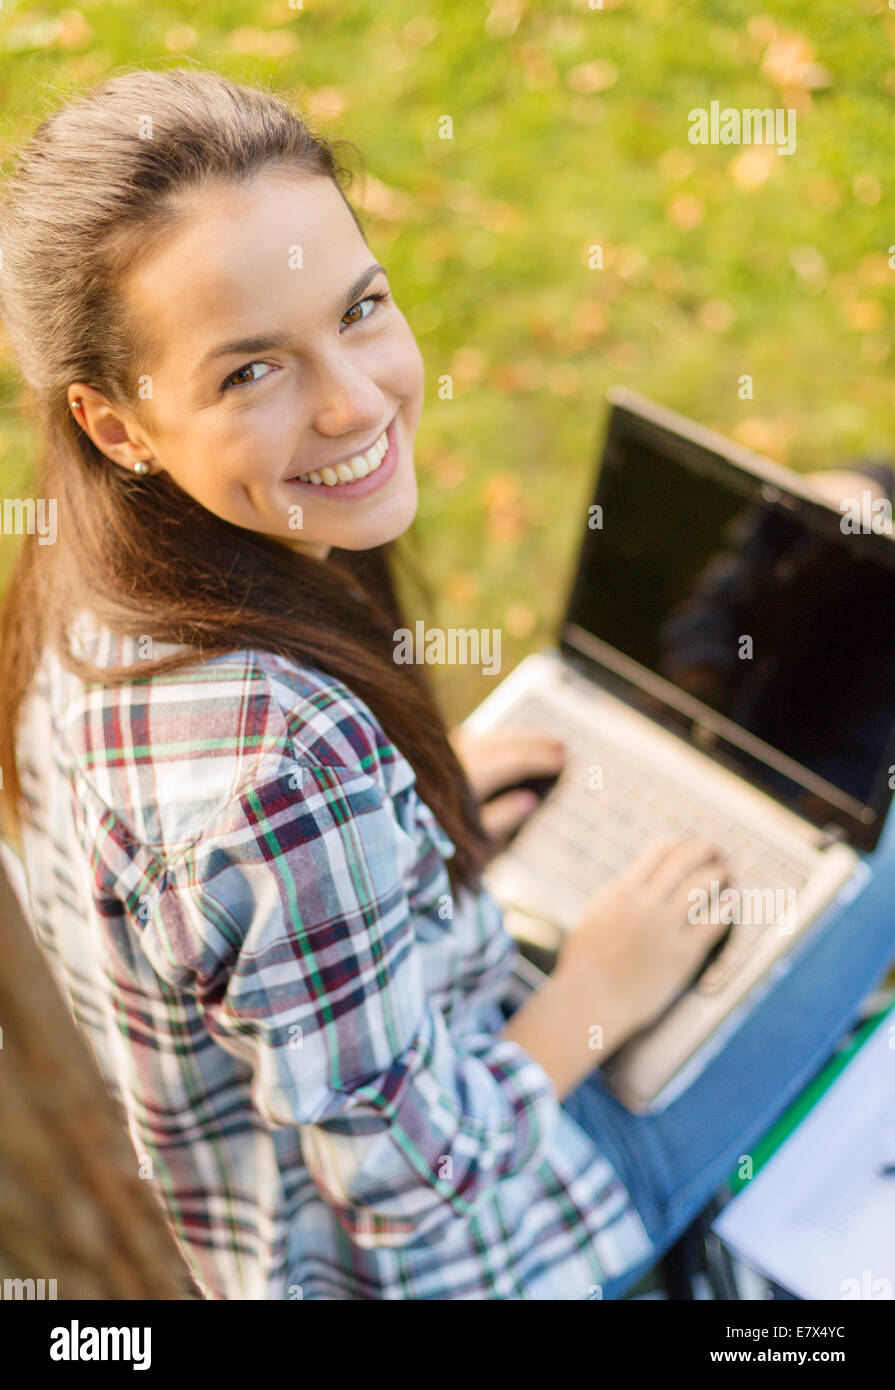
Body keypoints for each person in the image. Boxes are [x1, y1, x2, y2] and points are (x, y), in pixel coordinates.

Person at [0, 66, 892, 1301]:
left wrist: (406, 824)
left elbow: (226, 910)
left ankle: (852, 512)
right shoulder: (280, 770)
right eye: (250, 371)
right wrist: (601, 989)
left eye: (359, 307)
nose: (357, 401)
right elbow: (416, 1184)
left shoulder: (79, 595)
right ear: (117, 425)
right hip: (505, 1240)